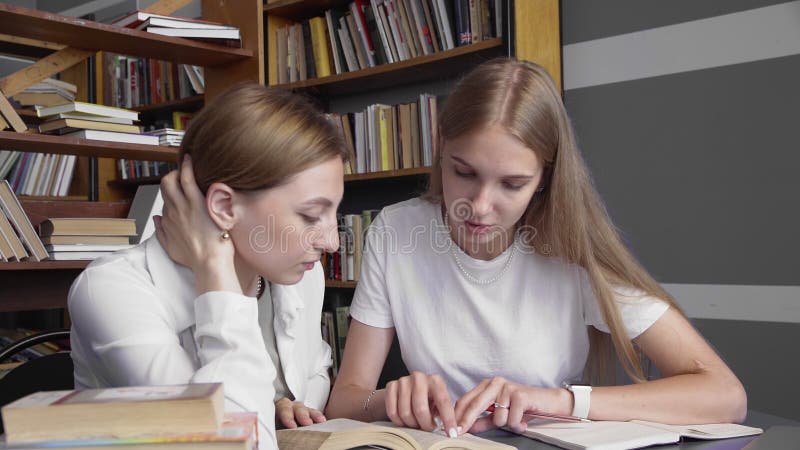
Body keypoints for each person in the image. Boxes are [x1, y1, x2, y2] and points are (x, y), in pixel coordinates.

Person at [325, 58, 747, 438]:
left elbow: (725, 395)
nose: (479, 206)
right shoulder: (397, 230)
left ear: (544, 177)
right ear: (441, 149)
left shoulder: (573, 249)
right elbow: (344, 401)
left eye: (512, 184)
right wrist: (388, 400)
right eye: (464, 171)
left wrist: (561, 401)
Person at [68, 83, 346, 448]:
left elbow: (315, 367)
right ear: (225, 208)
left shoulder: (300, 273)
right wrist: (214, 265)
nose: (332, 242)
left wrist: (274, 404)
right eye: (311, 215)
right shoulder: (110, 290)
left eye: (333, 212)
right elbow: (218, 441)